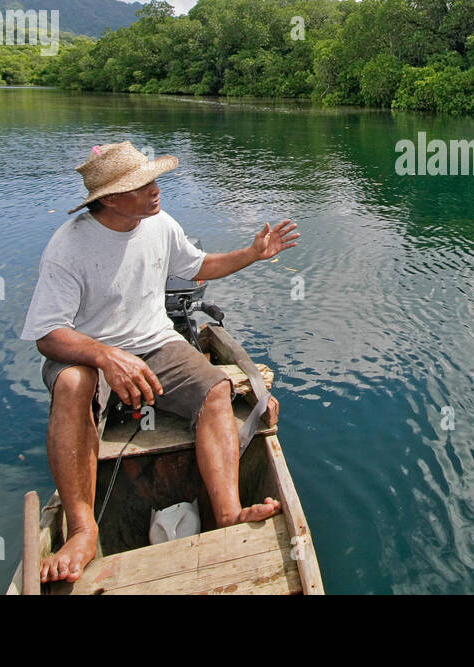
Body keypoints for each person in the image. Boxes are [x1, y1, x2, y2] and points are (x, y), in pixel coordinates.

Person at [20, 141, 299, 584]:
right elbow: (48, 335)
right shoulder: (68, 246)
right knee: (72, 385)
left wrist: (252, 253)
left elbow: (198, 266)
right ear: (110, 199)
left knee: (215, 391)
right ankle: (82, 529)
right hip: (92, 355)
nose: (155, 190)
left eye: (153, 180)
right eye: (141, 185)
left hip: (155, 345)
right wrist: (106, 356)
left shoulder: (160, 224)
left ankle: (227, 511)